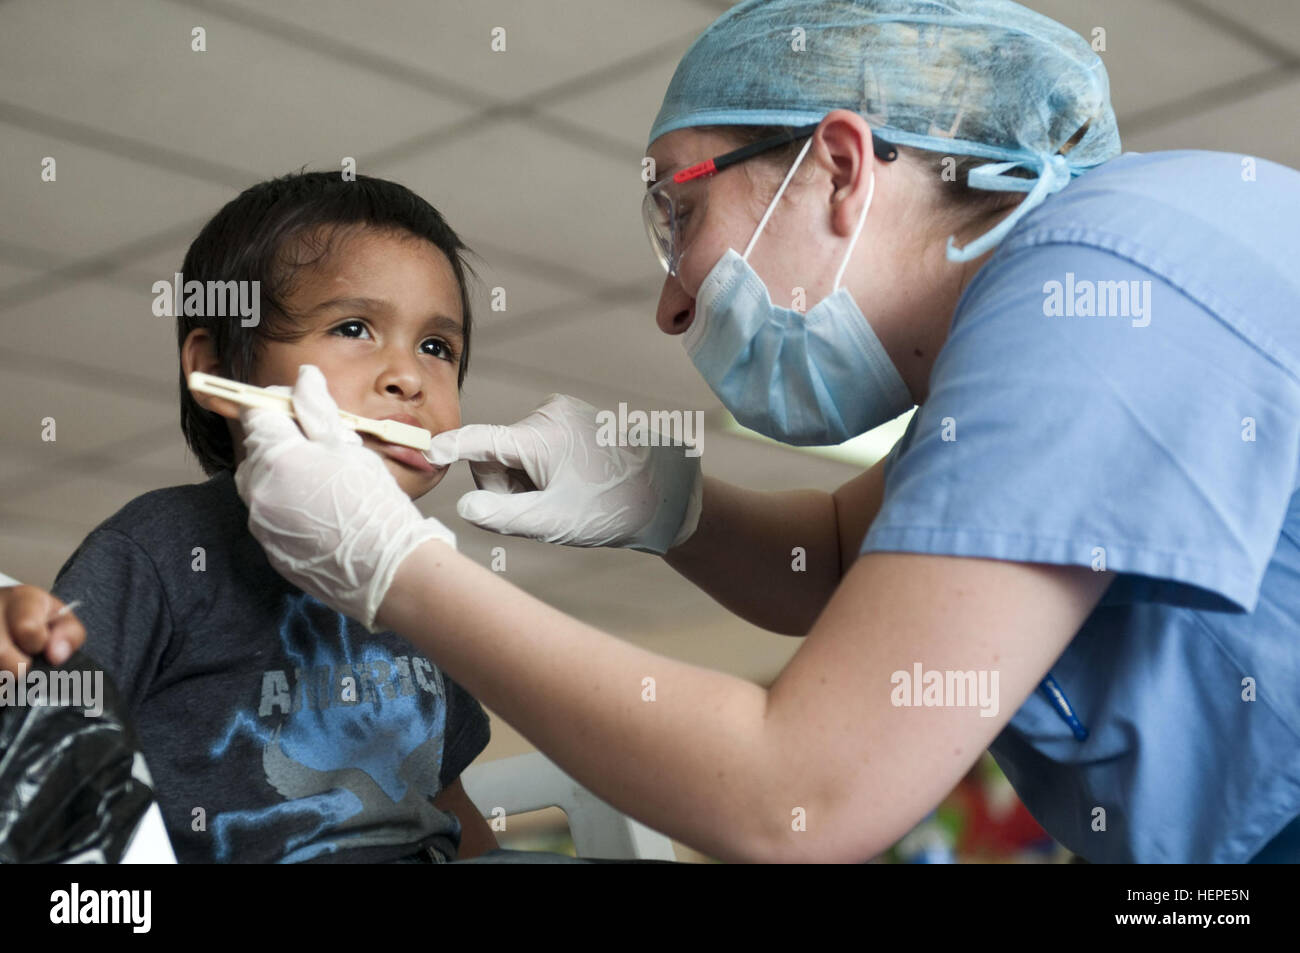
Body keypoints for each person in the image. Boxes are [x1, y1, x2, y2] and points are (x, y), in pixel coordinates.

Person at [23, 0, 1300, 863]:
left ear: (841, 169)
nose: (672, 297)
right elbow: (849, 567)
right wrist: (669, 504)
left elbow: (800, 795)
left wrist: (402, 573)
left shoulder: (1099, 295)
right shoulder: (1051, 320)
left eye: (676, 217)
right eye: (357, 333)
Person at [0, 172, 508, 863]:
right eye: (354, 327)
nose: (409, 377)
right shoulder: (158, 549)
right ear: (216, 367)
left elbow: (445, 800)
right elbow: (46, 729)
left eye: (437, 347)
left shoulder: (420, 572)